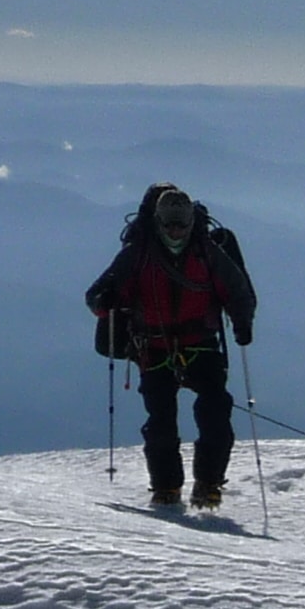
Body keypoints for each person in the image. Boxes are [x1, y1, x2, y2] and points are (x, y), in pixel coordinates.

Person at [87, 183, 258, 509]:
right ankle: (170, 487)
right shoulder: (142, 253)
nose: (176, 232)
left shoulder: (203, 252)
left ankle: (204, 484)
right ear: (158, 223)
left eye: (182, 225)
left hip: (181, 346)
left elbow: (239, 293)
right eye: (170, 225)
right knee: (163, 422)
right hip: (163, 347)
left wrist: (242, 323)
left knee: (213, 414)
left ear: (192, 222)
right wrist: (104, 300)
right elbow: (96, 293)